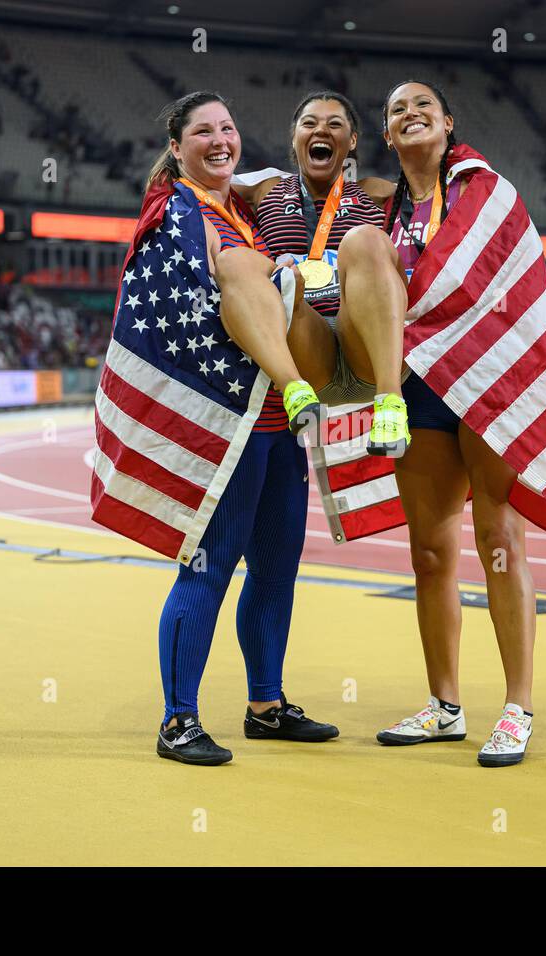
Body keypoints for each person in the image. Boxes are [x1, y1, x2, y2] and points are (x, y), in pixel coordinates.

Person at [90, 91, 337, 766]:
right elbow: (192, 311)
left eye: (228, 128)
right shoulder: (176, 211)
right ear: (177, 146)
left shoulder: (245, 208)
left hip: (280, 419)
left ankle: (266, 705)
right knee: (207, 567)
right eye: (204, 131)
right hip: (229, 422)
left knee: (278, 569)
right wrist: (268, 274)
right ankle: (178, 721)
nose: (220, 140)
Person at [370, 81, 546, 767]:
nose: (410, 114)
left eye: (424, 106)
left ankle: (517, 708)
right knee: (430, 550)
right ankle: (444, 707)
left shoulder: (486, 191)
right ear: (387, 135)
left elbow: (514, 281)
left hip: (493, 375)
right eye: (396, 111)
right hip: (419, 385)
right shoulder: (384, 213)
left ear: (448, 124)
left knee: (499, 534)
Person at [235, 91, 411, 451]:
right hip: (304, 349)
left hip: (369, 349)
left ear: (352, 141)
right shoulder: (262, 190)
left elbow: (440, 197)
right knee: (246, 264)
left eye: (335, 124)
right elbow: (197, 183)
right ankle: (293, 390)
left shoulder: (376, 193)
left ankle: (391, 405)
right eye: (310, 123)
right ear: (294, 137)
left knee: (364, 240)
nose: (322, 131)